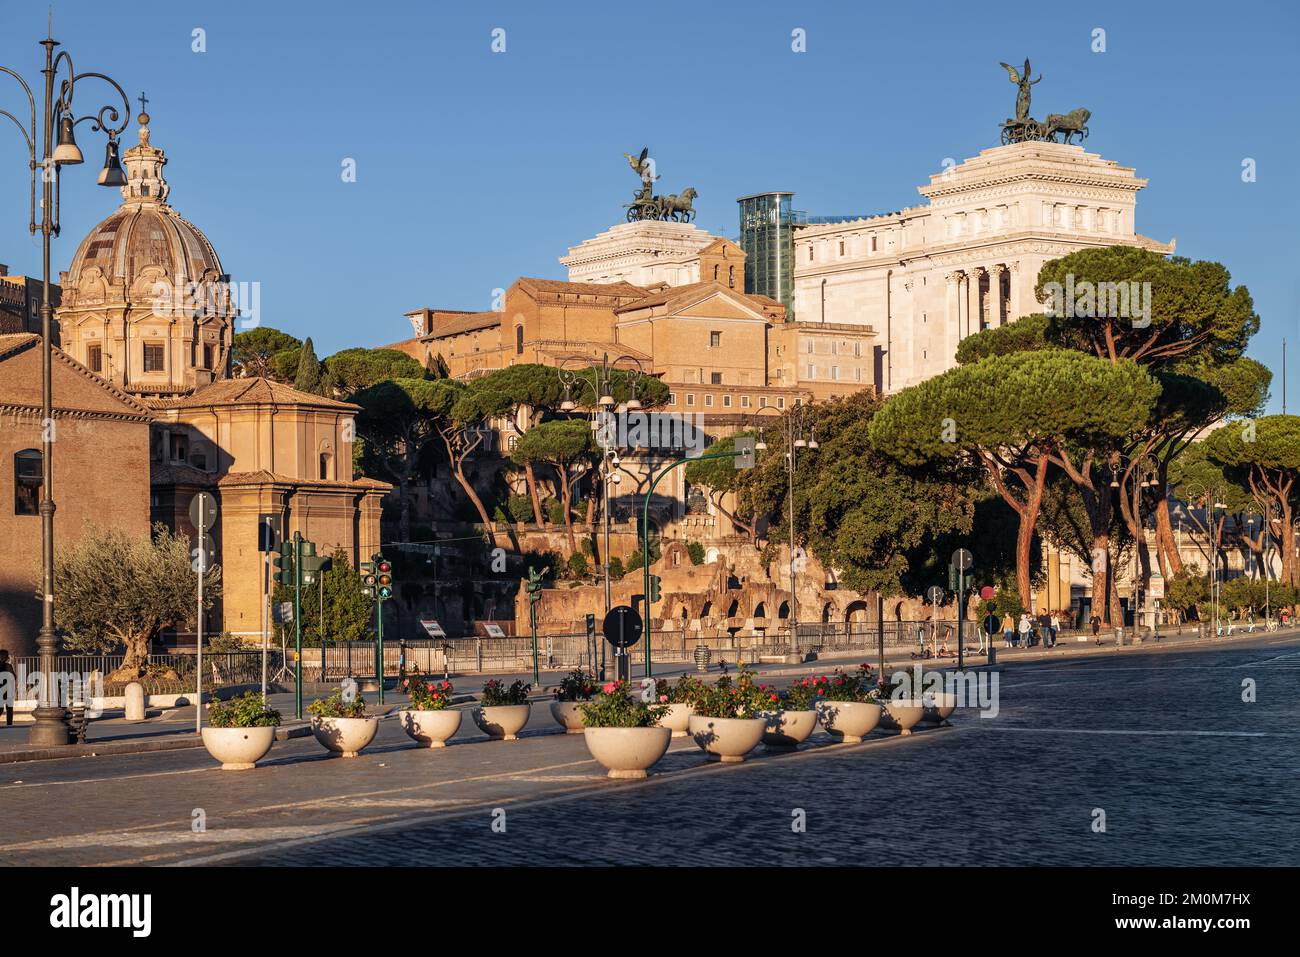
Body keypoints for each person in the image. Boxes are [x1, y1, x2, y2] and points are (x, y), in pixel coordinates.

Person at [0, 650, 14, 727]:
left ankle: (9, 724)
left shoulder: (8, 666)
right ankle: (9, 724)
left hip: (7, 689)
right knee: (6, 708)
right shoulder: (8, 666)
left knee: (8, 708)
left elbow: (13, 677)